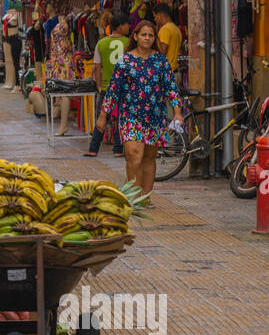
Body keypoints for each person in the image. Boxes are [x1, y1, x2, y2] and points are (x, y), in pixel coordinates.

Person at [95, 19, 182, 198]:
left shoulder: (160, 61)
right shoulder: (125, 61)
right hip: (130, 115)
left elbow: (172, 89)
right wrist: (103, 115)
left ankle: (145, 197)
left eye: (150, 35)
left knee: (149, 157)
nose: (147, 38)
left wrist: (178, 113)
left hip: (155, 116)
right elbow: (113, 90)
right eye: (143, 34)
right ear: (135, 36)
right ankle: (133, 197)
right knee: (134, 154)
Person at [85, 12, 130, 158]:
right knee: (121, 118)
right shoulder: (128, 42)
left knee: (102, 117)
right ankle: (118, 150)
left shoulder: (101, 43)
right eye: (127, 24)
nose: (129, 27)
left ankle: (93, 149)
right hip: (124, 86)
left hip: (107, 86)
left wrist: (99, 85)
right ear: (121, 26)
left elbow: (97, 67)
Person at [46, 13, 78, 136]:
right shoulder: (59, 22)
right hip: (57, 62)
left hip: (63, 62)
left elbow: (64, 32)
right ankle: (62, 125)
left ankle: (63, 126)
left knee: (65, 94)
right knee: (60, 93)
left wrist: (63, 21)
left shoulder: (63, 24)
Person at [154, 3, 183, 72]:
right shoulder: (176, 28)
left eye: (155, 16)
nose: (155, 19)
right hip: (175, 70)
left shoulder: (165, 29)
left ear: (160, 15)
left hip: (167, 73)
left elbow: (162, 53)